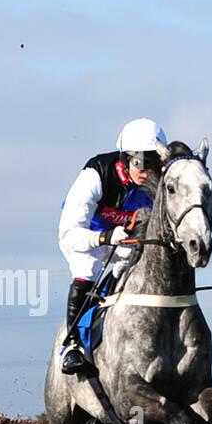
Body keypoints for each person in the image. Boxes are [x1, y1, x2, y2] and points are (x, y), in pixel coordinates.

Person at [56, 118, 166, 374]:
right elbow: (71, 232)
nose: (147, 172)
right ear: (125, 158)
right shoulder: (96, 174)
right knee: (88, 268)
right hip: (86, 235)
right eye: (140, 162)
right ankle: (72, 346)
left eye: (155, 164)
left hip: (126, 238)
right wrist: (105, 237)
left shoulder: (157, 182)